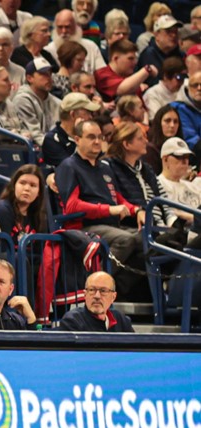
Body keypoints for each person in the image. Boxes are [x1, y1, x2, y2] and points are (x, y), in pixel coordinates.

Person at [56, 119, 144, 297]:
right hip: (83, 227)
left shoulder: (104, 167)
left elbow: (118, 198)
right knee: (125, 240)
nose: (97, 141)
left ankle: (119, 288)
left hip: (111, 226)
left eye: (100, 137)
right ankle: (93, 285)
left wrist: (137, 210)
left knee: (146, 240)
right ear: (77, 139)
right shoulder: (69, 166)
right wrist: (108, 210)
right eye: (91, 137)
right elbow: (71, 206)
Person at [9, 57, 61, 147]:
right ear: (29, 78)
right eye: (43, 74)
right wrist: (57, 149)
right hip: (33, 148)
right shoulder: (22, 100)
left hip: (51, 147)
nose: (49, 78)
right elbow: (35, 135)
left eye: (50, 73)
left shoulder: (56, 102)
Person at [59, 271, 134, 331]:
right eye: (92, 290)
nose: (97, 296)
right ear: (85, 295)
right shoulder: (73, 320)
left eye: (103, 291)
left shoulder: (121, 320)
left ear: (113, 297)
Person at [42, 92, 99, 169]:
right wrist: (80, 136)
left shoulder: (88, 135)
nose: (90, 117)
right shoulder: (52, 140)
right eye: (87, 112)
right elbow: (73, 168)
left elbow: (100, 161)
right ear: (73, 114)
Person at [0, 164, 45, 246]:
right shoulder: (2, 209)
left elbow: (40, 249)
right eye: (22, 183)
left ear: (39, 192)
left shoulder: (39, 216)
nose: (27, 189)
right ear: (14, 185)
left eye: (33, 185)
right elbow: (2, 249)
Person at [138, 15, 184, 80]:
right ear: (157, 35)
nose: (174, 35)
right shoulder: (148, 54)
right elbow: (154, 81)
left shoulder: (181, 55)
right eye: (168, 31)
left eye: (175, 32)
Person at [147, 104, 181, 174]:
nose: (172, 125)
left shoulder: (181, 147)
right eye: (167, 121)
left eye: (175, 121)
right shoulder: (150, 150)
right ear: (159, 123)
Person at [172, 70, 201, 148]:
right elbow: (191, 141)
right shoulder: (179, 108)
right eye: (195, 85)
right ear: (188, 88)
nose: (199, 88)